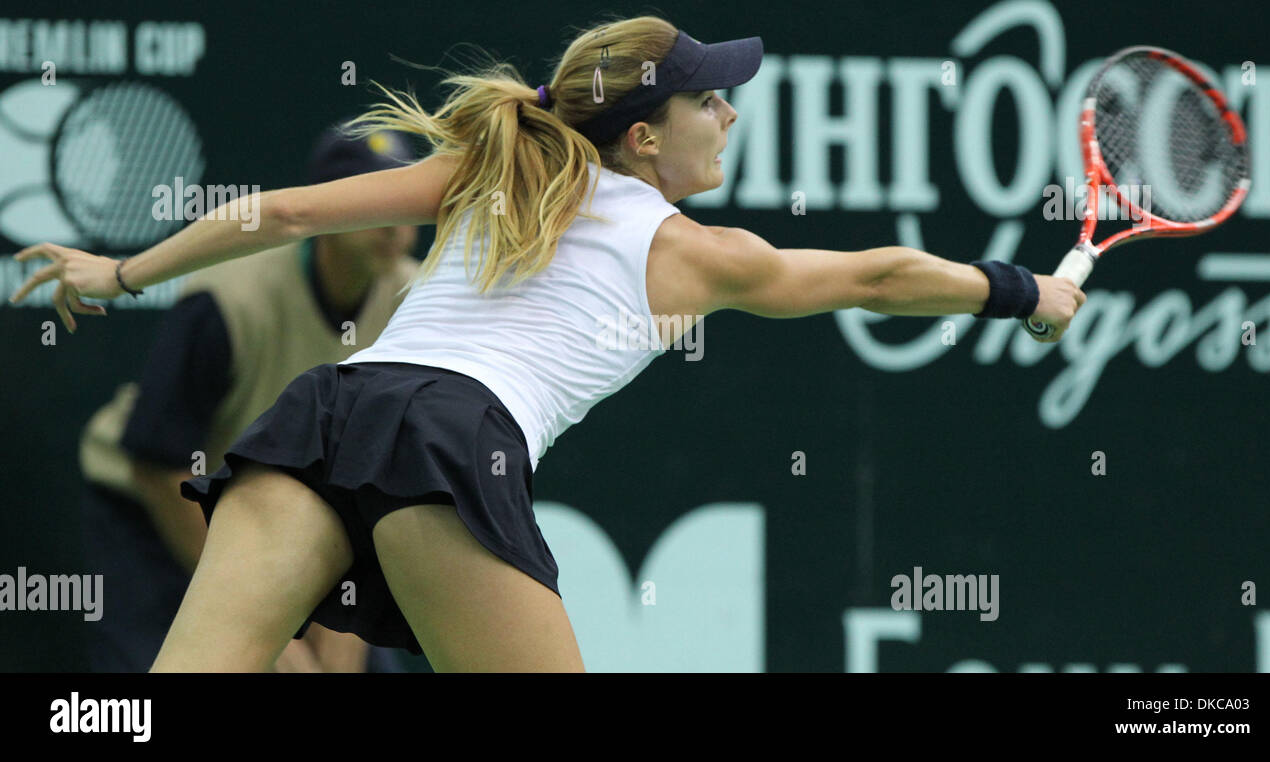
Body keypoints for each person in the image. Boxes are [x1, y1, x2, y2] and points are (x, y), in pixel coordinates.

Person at [8, 15, 1086, 673]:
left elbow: (287, 211)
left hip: (325, 415)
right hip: (446, 438)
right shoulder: (690, 252)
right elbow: (880, 277)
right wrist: (1026, 289)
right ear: (646, 134)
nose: (731, 115)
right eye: (712, 98)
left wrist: (119, 271)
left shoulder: (495, 172)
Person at [76, 124, 421, 672]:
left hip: (306, 532)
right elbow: (157, 465)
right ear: (328, 211)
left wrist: (347, 624)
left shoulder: (418, 304)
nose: (397, 226)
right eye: (371, 201)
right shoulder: (228, 299)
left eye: (407, 202)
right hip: (162, 516)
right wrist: (264, 627)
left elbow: (387, 480)